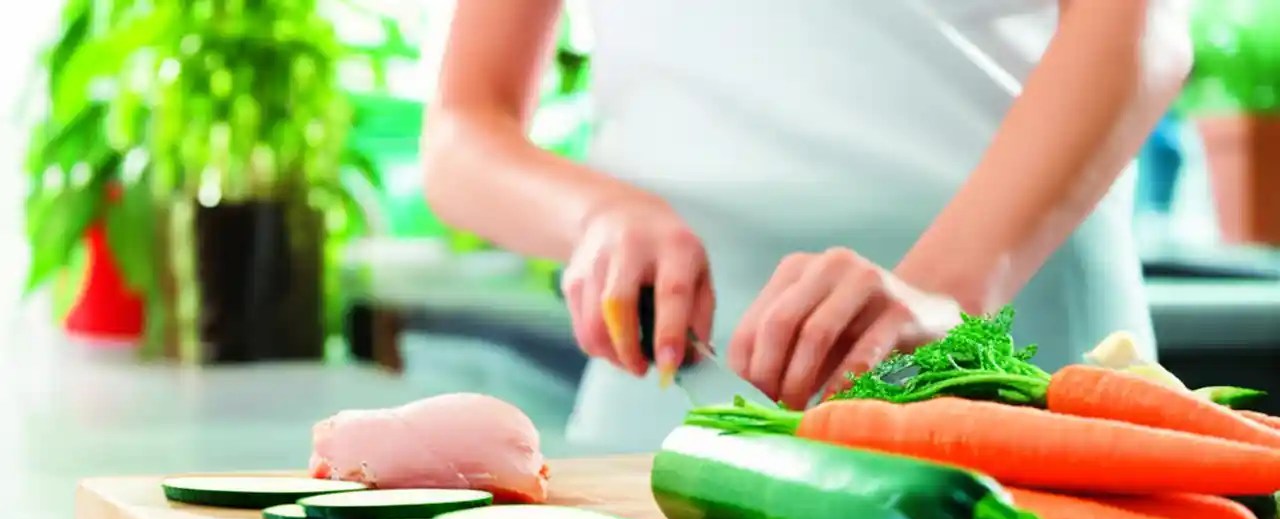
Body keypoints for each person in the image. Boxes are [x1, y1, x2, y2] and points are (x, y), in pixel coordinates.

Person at [422, 1, 1192, 453]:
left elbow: (1142, 26)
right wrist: (596, 216)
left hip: (1021, 354)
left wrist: (944, 291)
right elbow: (463, 128)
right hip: (678, 392)